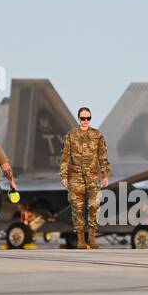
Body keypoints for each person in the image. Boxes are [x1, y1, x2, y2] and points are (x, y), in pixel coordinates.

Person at [60, 106, 111, 249]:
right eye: (83, 118)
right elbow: (65, 157)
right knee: (77, 208)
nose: (85, 121)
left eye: (88, 118)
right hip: (75, 177)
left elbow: (103, 156)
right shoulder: (71, 135)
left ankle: (92, 238)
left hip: (93, 177)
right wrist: (64, 175)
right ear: (79, 118)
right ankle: (81, 240)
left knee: (94, 206)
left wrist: (105, 174)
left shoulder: (97, 135)